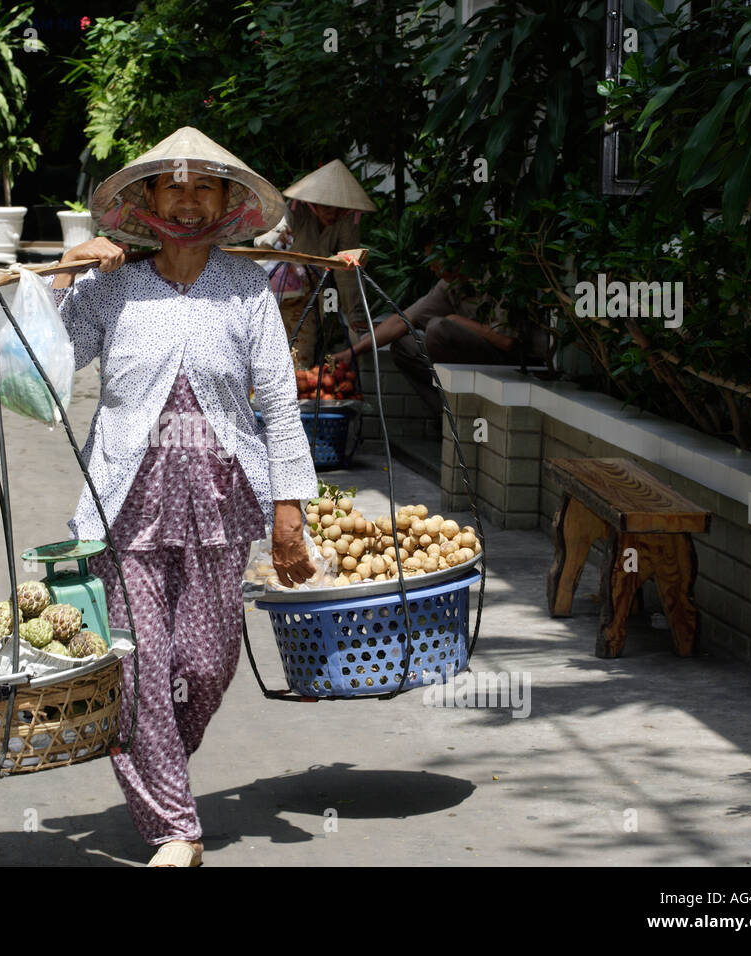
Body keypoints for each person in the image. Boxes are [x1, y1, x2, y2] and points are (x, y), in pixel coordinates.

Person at [51, 127, 319, 867]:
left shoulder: (246, 288)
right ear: (147, 199)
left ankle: (150, 755)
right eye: (175, 185)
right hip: (123, 500)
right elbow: (34, 376)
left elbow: (280, 403)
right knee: (135, 664)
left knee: (205, 666)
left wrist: (290, 508)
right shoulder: (111, 287)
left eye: (205, 186)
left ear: (228, 202)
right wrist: (64, 277)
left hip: (222, 496)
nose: (189, 200)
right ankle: (177, 827)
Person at [330, 263, 547, 414]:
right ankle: (446, 414)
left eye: (435, 259)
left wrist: (455, 320)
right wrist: (351, 353)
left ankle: (463, 410)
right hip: (468, 365)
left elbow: (506, 342)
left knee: (438, 328)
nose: (432, 267)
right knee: (404, 344)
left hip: (508, 365)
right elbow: (402, 320)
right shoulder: (448, 286)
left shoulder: (496, 280)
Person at [254, 159, 378, 360]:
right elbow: (273, 231)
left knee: (303, 351)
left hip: (316, 287)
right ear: (314, 203)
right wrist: (279, 234)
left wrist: (355, 315)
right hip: (284, 285)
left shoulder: (347, 219)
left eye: (339, 208)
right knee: (268, 345)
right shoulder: (296, 209)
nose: (333, 214)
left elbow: (347, 266)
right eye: (327, 207)